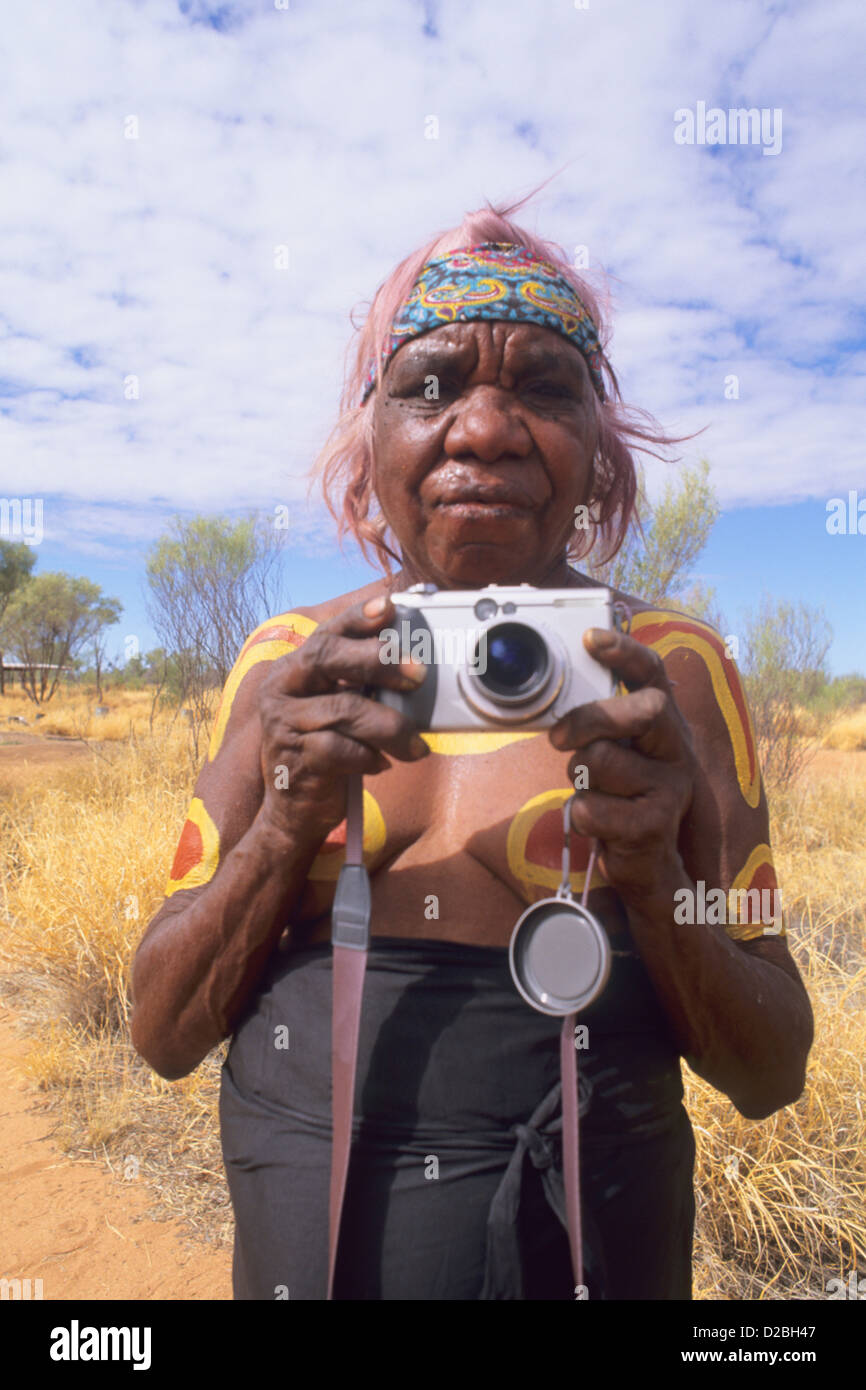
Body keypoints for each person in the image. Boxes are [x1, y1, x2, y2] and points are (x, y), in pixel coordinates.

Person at [130, 196, 814, 1301]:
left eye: (544, 387)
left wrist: (654, 877)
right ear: (373, 436)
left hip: (600, 1241)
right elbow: (160, 1030)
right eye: (431, 383)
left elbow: (768, 1065)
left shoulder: (668, 668)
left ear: (596, 449)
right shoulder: (288, 664)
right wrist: (285, 827)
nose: (485, 428)